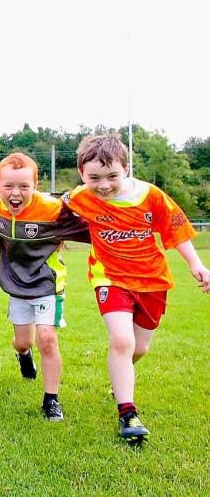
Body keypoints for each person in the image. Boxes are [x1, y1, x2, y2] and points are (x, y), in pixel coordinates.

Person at [64, 134, 210, 442]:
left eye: (112, 176)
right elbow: (53, 211)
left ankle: (120, 379)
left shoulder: (149, 195)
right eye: (94, 178)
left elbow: (176, 230)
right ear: (81, 174)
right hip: (109, 277)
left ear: (126, 169)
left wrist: (196, 264)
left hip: (152, 280)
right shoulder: (79, 197)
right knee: (122, 340)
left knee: (139, 348)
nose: (103, 185)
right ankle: (127, 414)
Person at [0, 153, 89, 421]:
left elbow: (92, 228)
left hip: (48, 285)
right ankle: (23, 355)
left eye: (24, 186)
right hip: (16, 286)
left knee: (46, 338)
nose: (15, 193)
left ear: (35, 185)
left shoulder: (52, 210)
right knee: (23, 341)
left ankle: (51, 400)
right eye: (8, 186)